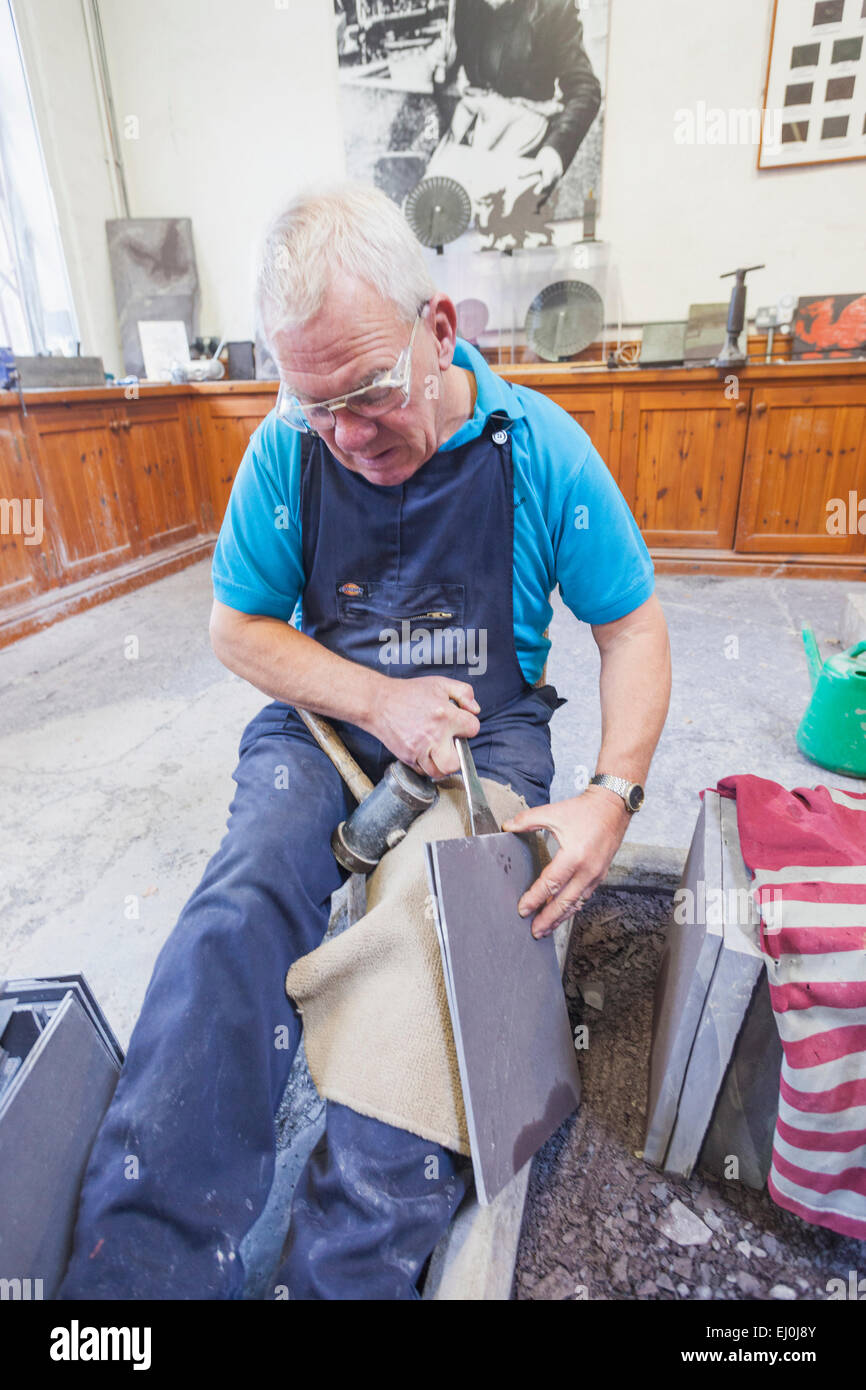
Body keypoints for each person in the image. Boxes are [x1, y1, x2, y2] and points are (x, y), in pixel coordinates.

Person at [58, 181, 670, 1301]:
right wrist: (375, 699)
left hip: (486, 734)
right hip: (327, 726)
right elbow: (235, 626)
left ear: (439, 328)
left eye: (368, 391)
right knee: (238, 909)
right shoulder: (286, 454)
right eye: (313, 405)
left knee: (436, 959)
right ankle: (134, 1285)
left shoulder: (537, 448)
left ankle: (341, 1281)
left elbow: (628, 627)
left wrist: (611, 794)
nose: (345, 434)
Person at [428, 0, 602, 222]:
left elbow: (585, 89)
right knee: (436, 215)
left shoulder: (555, 6)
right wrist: (441, 72)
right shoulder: (466, 5)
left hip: (525, 136)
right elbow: (460, 71)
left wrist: (553, 154)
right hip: (474, 127)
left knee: (498, 226)